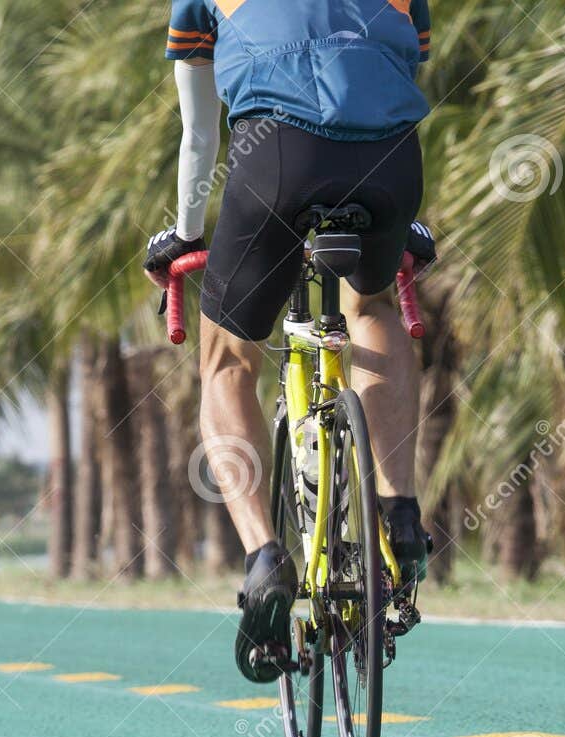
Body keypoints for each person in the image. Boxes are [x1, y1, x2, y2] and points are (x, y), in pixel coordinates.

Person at [144, 0, 433, 683]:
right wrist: (409, 220)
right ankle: (400, 509)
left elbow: (199, 138)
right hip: (392, 161)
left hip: (277, 153)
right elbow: (385, 83)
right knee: (373, 310)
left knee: (227, 361)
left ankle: (265, 560)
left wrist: (187, 235)